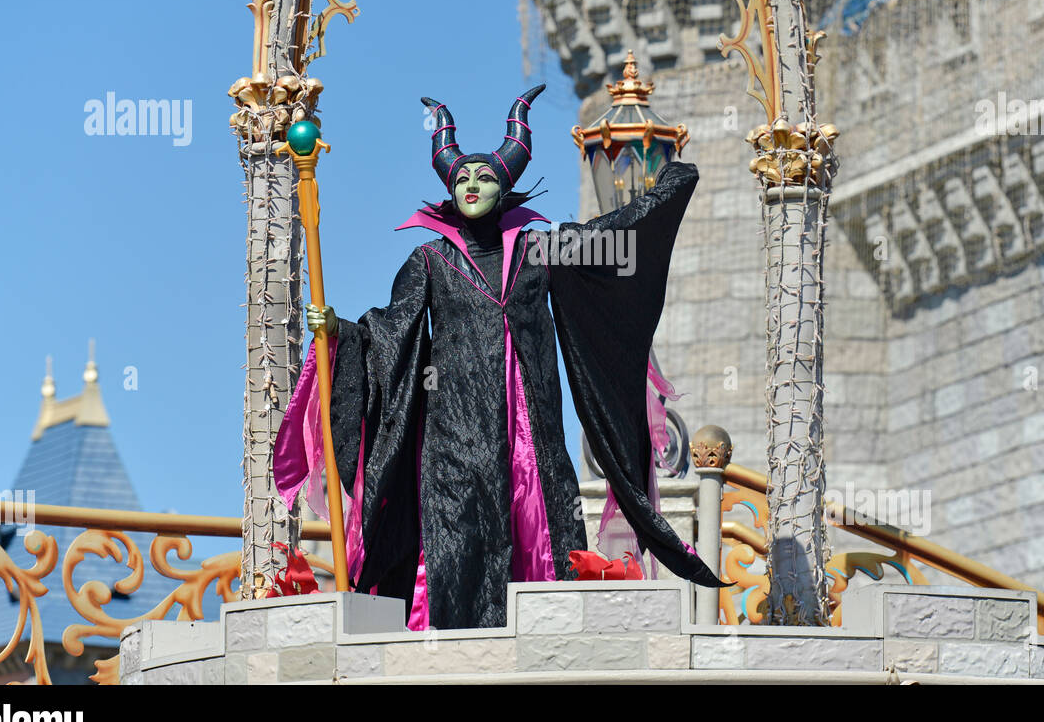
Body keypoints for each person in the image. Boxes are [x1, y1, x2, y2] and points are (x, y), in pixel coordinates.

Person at [273, 84, 721, 630]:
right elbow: (390, 335)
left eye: (483, 177)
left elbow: (611, 237)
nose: (471, 184)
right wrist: (339, 332)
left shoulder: (539, 249)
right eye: (462, 177)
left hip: (530, 433)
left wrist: (664, 195)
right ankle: (445, 640)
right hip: (454, 438)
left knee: (539, 524)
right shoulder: (429, 261)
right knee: (459, 526)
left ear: (503, 186)